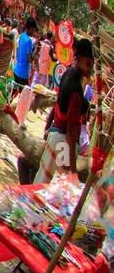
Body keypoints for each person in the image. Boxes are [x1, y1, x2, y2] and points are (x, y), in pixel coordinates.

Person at [40, 36, 94, 181]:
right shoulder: (76, 89)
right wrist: (72, 166)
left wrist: (48, 127)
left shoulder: (68, 73)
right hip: (63, 143)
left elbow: (57, 103)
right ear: (80, 57)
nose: (90, 68)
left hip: (55, 137)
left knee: (42, 181)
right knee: (55, 190)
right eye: (88, 63)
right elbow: (71, 127)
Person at [12, 16, 37, 90]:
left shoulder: (22, 35)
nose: (34, 32)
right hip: (23, 74)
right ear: (31, 28)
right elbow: (30, 59)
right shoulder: (29, 40)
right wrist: (36, 51)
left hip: (17, 70)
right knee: (21, 98)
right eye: (34, 30)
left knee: (13, 96)